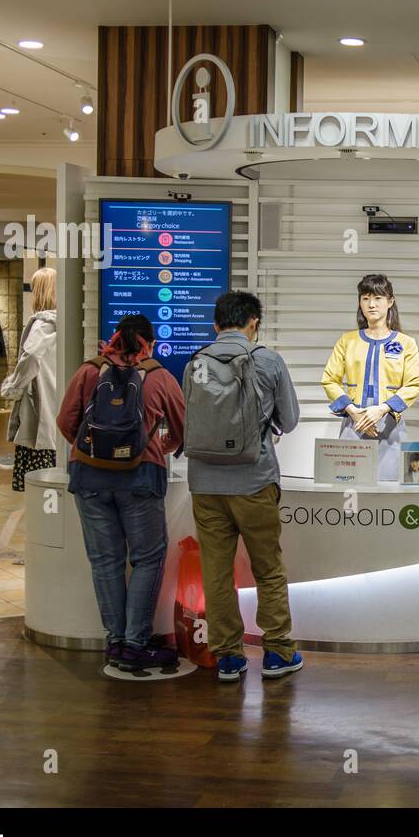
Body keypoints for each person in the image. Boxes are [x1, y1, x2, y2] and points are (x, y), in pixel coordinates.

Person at [57, 314, 186, 672]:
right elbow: (181, 429)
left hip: (89, 478)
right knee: (146, 559)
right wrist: (160, 446)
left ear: (114, 340)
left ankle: (115, 642)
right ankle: (135, 644)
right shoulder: (160, 376)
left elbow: (66, 422)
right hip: (141, 477)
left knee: (105, 561)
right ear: (151, 344)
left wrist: (92, 450)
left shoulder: (89, 371)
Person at [184, 291, 301, 683]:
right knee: (267, 568)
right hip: (254, 480)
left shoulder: (196, 363)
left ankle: (229, 658)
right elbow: (291, 418)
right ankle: (277, 653)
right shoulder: (267, 360)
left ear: (216, 326)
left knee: (216, 573)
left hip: (205, 485)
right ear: (253, 323)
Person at [321, 274, 419, 481]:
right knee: (347, 488)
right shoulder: (347, 341)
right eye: (365, 298)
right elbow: (329, 379)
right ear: (360, 302)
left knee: (388, 491)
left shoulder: (406, 343)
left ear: (390, 302)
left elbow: (414, 383)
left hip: (389, 427)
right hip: (354, 425)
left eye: (378, 298)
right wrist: (353, 411)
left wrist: (383, 408)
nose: (371, 304)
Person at [1, 268, 58, 493]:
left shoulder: (41, 324)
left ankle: (44, 523)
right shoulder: (64, 323)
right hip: (58, 406)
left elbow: (31, 357)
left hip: (40, 411)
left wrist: (14, 385)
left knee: (39, 482)